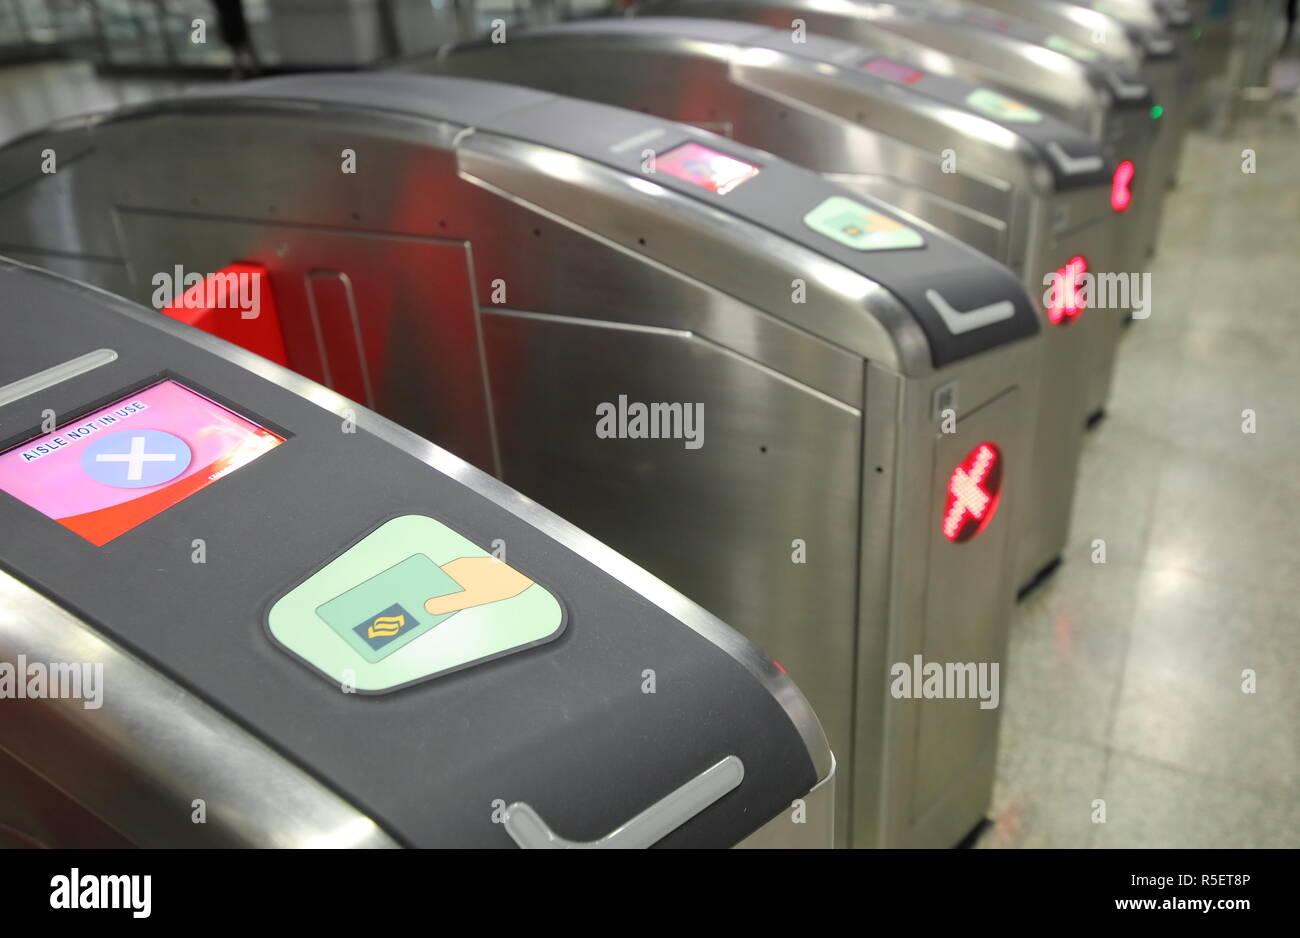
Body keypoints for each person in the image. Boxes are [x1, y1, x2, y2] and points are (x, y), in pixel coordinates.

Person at [212, 0, 261, 79]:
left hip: (230, 21)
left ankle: (242, 71)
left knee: (237, 49)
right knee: (242, 47)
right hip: (234, 20)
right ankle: (254, 69)